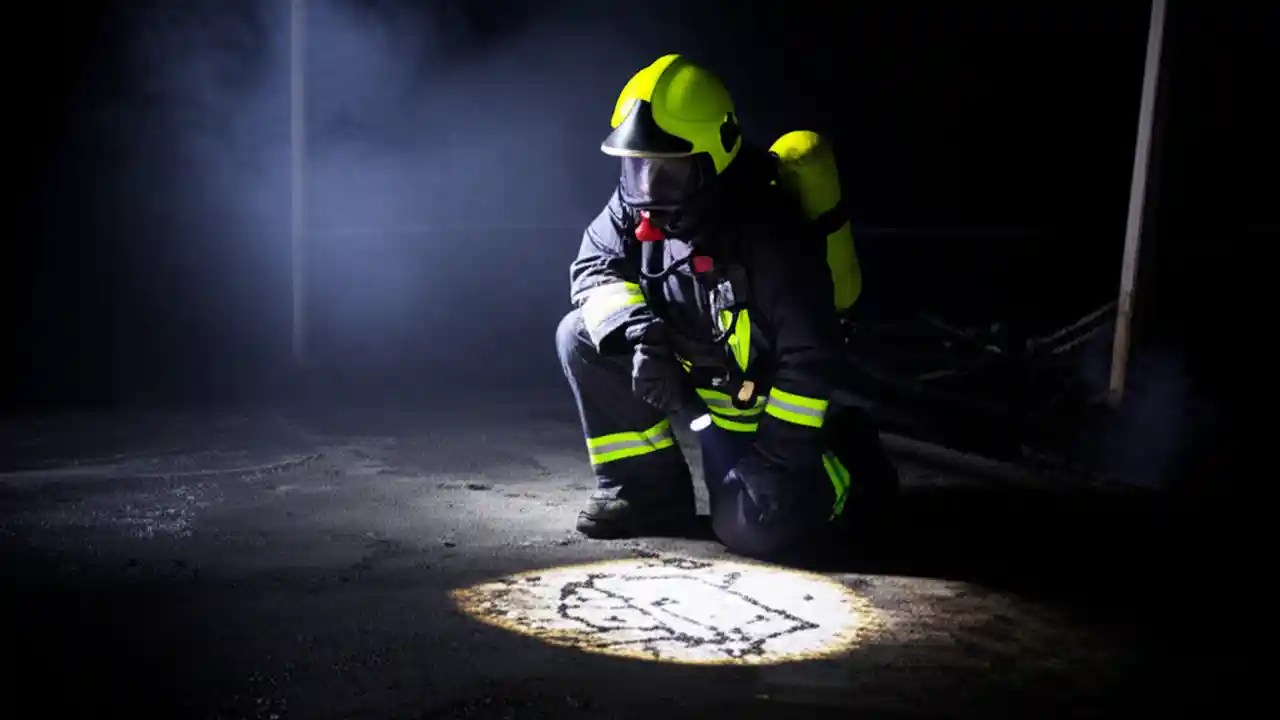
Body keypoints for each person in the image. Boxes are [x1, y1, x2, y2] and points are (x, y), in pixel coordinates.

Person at [555, 54, 898, 559]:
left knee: (753, 531)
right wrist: (642, 337)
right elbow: (593, 268)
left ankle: (850, 464)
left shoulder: (770, 232)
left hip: (762, 412)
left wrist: (776, 461)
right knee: (579, 334)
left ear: (715, 158)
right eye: (636, 167)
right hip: (701, 387)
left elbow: (811, 357)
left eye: (666, 171)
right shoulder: (637, 200)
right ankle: (645, 492)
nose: (648, 192)